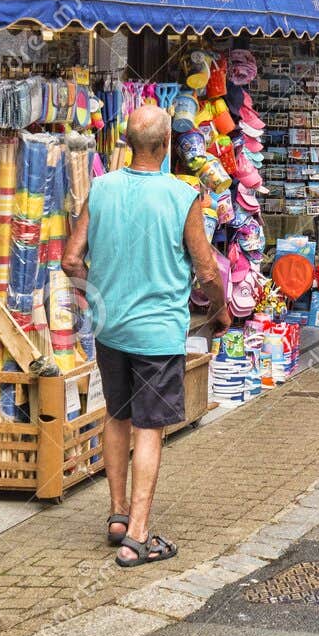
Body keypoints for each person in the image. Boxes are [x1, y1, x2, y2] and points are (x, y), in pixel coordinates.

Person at [63, 104, 228, 568]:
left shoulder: (101, 187)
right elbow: (207, 267)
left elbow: (71, 261)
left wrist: (99, 294)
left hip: (110, 328)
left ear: (128, 143)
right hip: (156, 333)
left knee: (116, 415)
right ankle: (137, 535)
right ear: (165, 145)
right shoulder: (182, 196)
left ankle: (117, 514)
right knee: (149, 428)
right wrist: (219, 308)